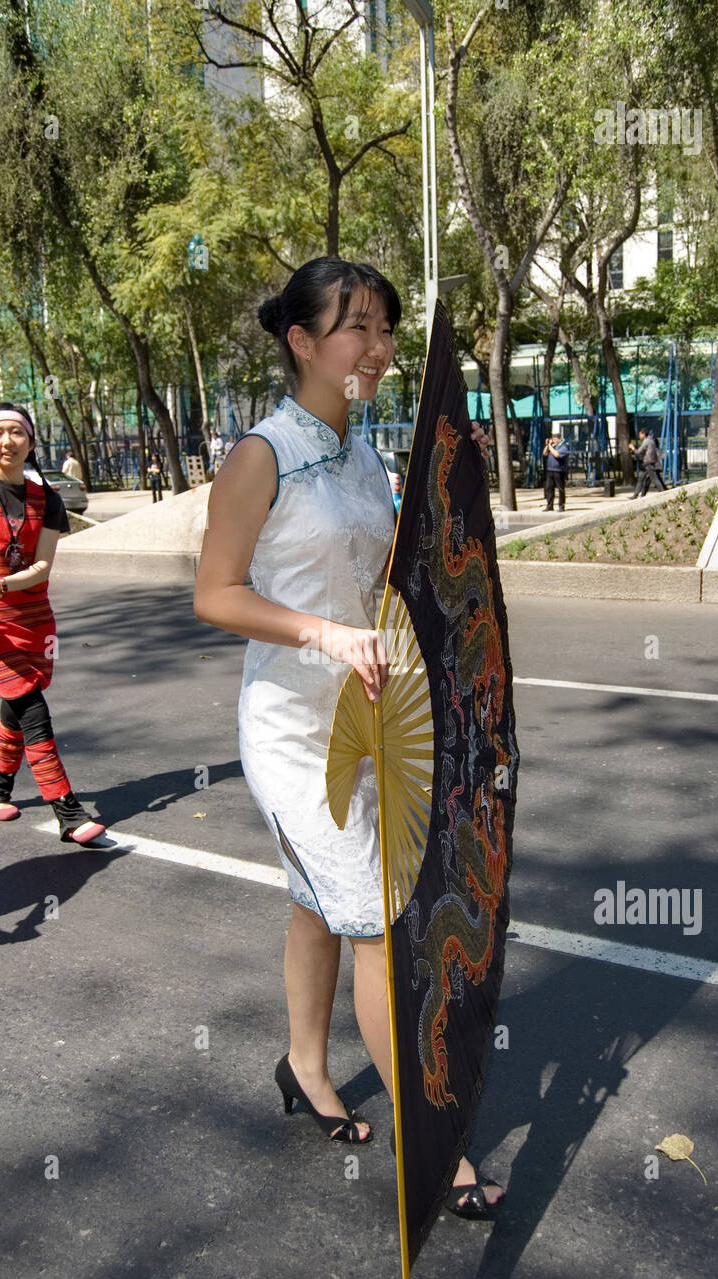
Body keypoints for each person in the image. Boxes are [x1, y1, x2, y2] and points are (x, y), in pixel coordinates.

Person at [193, 257, 504, 1218]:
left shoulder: (364, 449)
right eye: (356, 328)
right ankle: (434, 1138)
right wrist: (324, 631)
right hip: (296, 734)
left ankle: (304, 1066)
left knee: (316, 904)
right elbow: (215, 594)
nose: (376, 348)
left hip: (376, 725)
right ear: (302, 341)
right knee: (376, 922)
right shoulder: (263, 454)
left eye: (384, 328)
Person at [0, 402, 105, 844]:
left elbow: (43, 566)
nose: (7, 441)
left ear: (31, 442)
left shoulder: (47, 500)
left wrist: (0, 584)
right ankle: (67, 812)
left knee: (18, 702)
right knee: (32, 708)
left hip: (34, 618)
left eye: (16, 433)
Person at [630, 429, 667, 496]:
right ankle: (636, 495)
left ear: (643, 434)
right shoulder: (651, 441)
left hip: (648, 462)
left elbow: (639, 452)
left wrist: (633, 448)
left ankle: (663, 493)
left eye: (640, 434)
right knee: (642, 479)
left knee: (655, 479)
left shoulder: (646, 441)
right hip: (648, 462)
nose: (639, 436)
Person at [542, 433, 570, 511]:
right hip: (550, 469)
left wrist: (550, 446)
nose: (553, 441)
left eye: (554, 439)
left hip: (559, 470)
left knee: (560, 489)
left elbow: (557, 455)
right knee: (549, 488)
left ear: (559, 439)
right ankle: (549, 505)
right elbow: (544, 453)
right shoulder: (553, 446)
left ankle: (561, 506)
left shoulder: (564, 447)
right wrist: (547, 445)